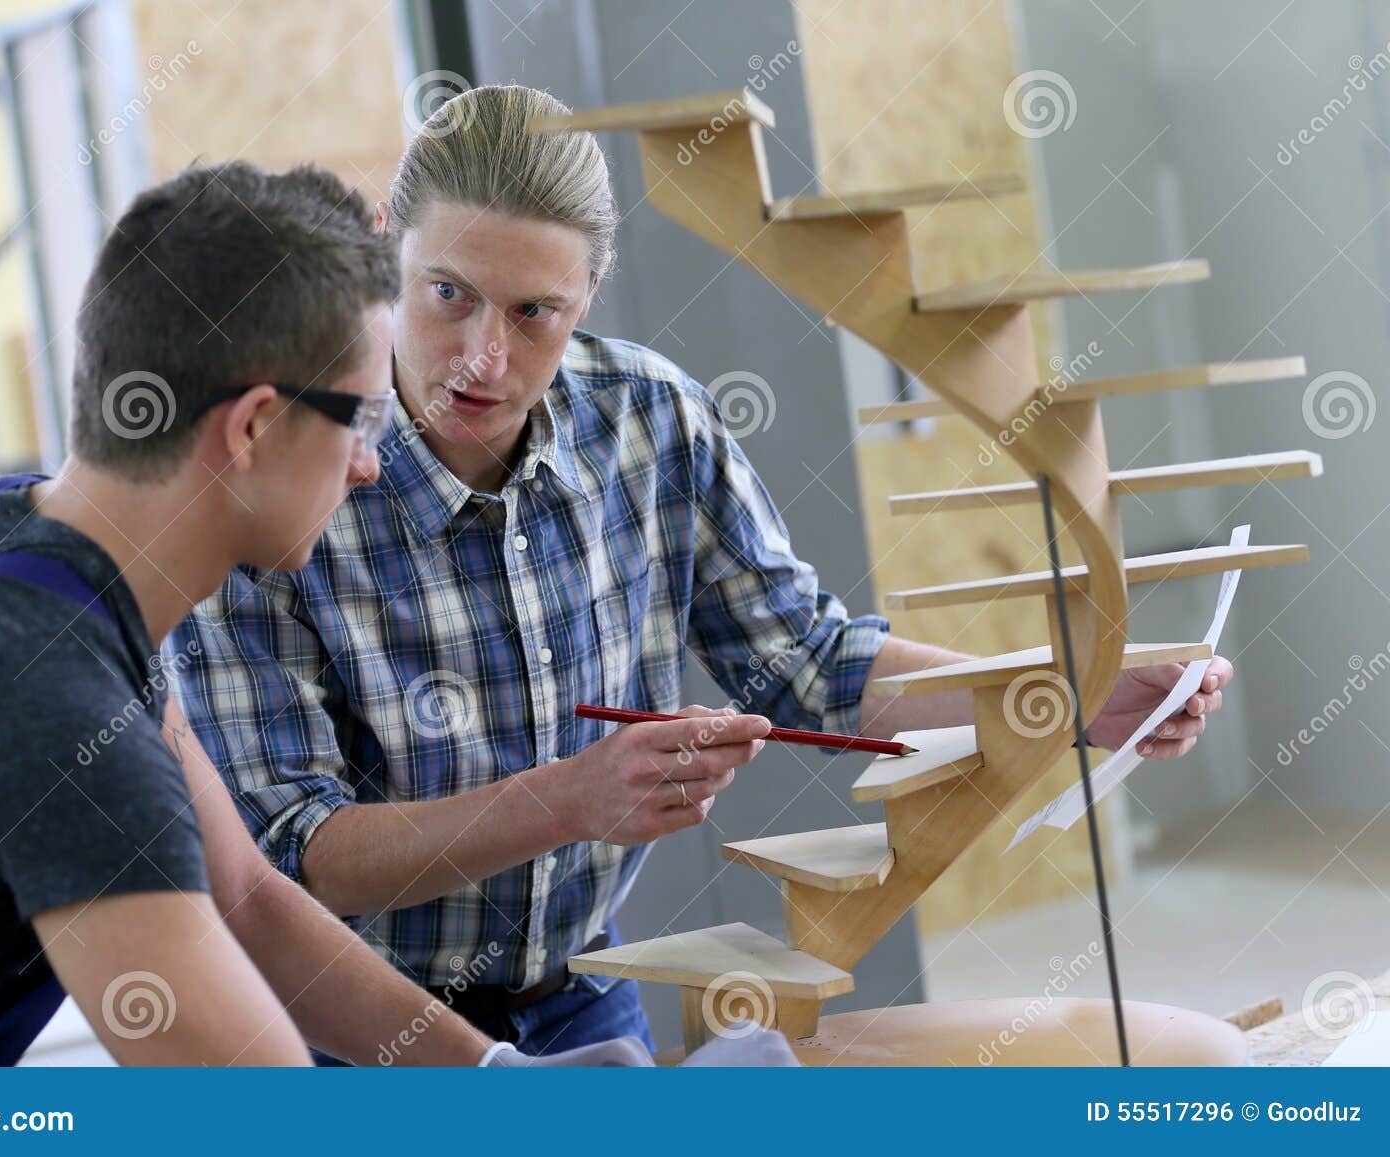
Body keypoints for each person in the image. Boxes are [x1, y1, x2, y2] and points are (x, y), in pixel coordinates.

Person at [166, 86, 1233, 1058]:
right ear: (385, 260)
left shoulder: (652, 417)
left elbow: (808, 662)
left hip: (577, 988)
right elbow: (295, 856)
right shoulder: (282, 471)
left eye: (535, 313)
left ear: (589, 294)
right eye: (448, 293)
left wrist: (1064, 694)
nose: (483, 357)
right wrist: (569, 798)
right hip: (346, 1025)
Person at [0, 159, 789, 1068]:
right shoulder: (48, 704)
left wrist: (500, 1080)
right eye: (362, 419)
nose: (369, 465)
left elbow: (250, 898)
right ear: (256, 425)